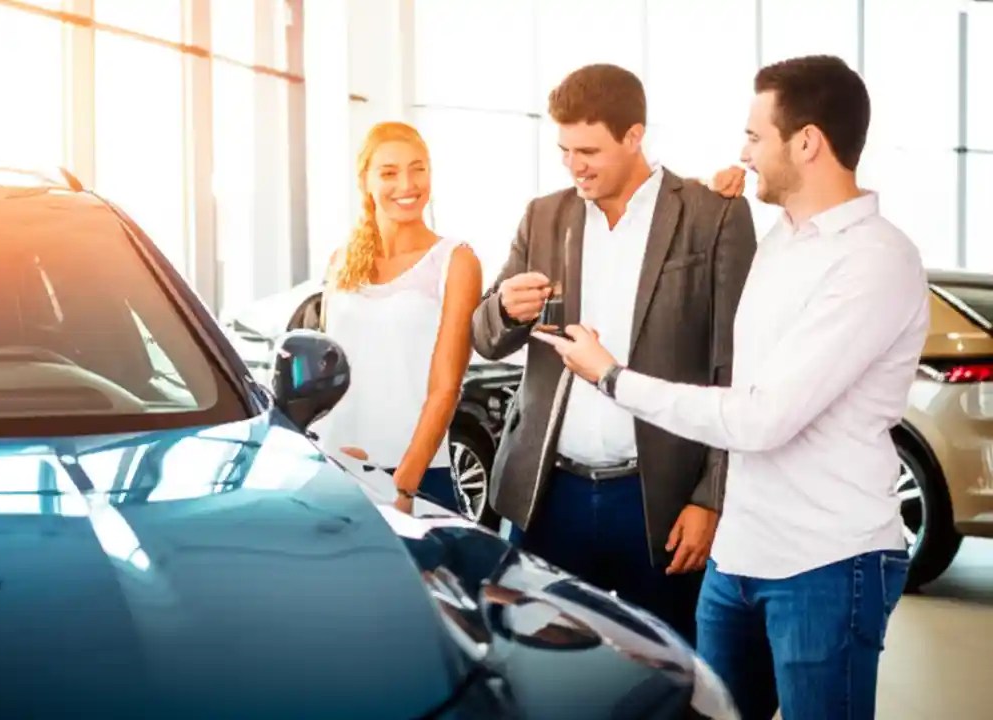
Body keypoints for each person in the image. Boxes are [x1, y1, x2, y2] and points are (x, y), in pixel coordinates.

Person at [533, 55, 928, 720]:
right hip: (740, 559)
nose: (741, 153)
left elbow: (759, 419)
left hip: (828, 564)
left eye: (753, 137)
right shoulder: (782, 238)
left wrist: (612, 376)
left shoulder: (876, 259)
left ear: (806, 142)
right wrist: (721, 203)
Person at [470, 63, 757, 645]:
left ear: (634, 135)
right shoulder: (542, 215)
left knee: (673, 677)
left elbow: (737, 367)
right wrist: (505, 306)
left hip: (658, 501)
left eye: (588, 149)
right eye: (564, 149)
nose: (574, 165)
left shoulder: (714, 214)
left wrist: (711, 498)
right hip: (549, 497)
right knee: (536, 672)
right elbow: (486, 336)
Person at [311, 121, 482, 515]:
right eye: (389, 173)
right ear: (365, 182)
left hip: (415, 478)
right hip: (335, 471)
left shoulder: (455, 260)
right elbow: (330, 377)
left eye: (417, 168)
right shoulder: (340, 263)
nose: (406, 184)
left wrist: (403, 486)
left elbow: (446, 387)